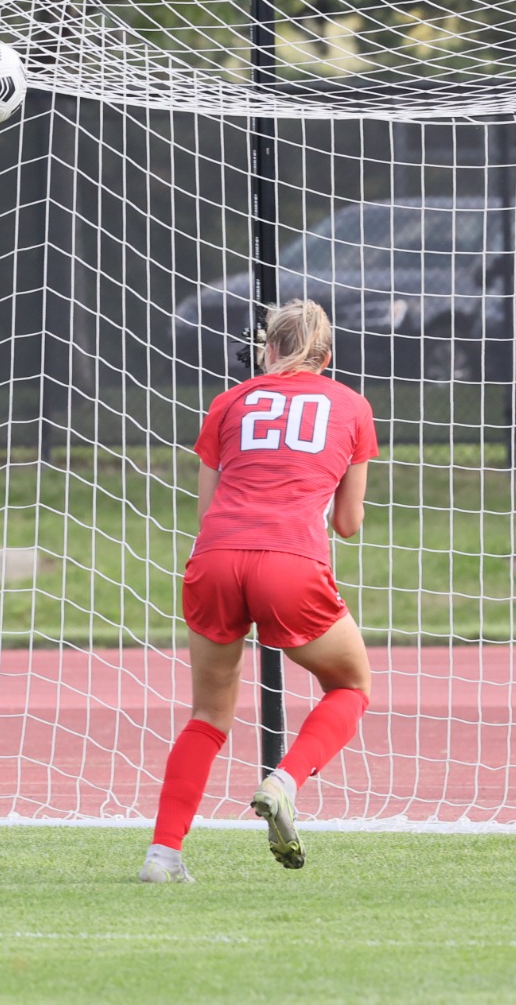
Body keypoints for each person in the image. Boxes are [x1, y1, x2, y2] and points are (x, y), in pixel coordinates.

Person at [141, 299, 378, 883]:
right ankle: (284, 782)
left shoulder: (228, 402)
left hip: (216, 559)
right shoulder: (351, 405)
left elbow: (207, 511)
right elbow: (348, 523)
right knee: (351, 685)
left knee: (207, 714)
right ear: (327, 357)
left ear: (267, 349)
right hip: (290, 562)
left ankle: (163, 856)